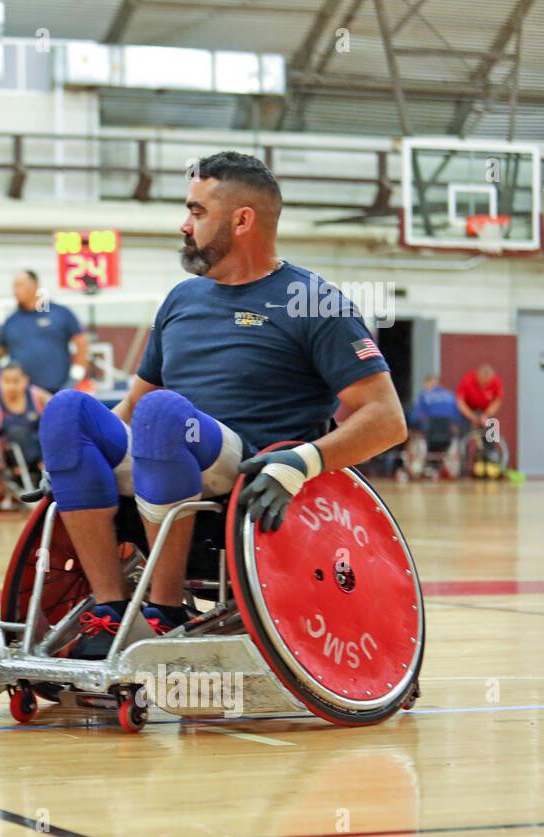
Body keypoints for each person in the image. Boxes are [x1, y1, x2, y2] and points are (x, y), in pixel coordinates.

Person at [37, 151, 406, 657]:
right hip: (159, 445)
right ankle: (111, 609)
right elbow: (130, 407)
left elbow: (387, 419)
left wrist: (305, 461)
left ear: (242, 220)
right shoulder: (181, 300)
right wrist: (68, 458)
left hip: (248, 467)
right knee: (66, 411)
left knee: (163, 414)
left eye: (196, 212)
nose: (183, 225)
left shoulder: (313, 301)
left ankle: (164, 611)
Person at [0, 270, 89, 394]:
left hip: (57, 391)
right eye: (14, 287)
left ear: (35, 286)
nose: (15, 291)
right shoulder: (12, 321)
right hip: (24, 396)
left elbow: (82, 344)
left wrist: (75, 377)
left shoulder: (60, 313)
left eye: (19, 286)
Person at [0, 363, 49, 474]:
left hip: (41, 454)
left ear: (25, 380)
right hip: (10, 459)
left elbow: (60, 412)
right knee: (17, 433)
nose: (11, 386)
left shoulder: (38, 396)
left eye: (16, 381)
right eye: (6, 381)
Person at [455, 363, 507, 478]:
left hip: (486, 409)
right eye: (483, 382)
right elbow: (460, 402)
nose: (485, 384)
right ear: (478, 376)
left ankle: (491, 461)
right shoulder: (468, 380)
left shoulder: (496, 381)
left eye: (488, 382)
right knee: (464, 434)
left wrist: (486, 415)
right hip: (468, 409)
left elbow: (497, 401)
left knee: (491, 430)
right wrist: (472, 416)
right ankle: (462, 468)